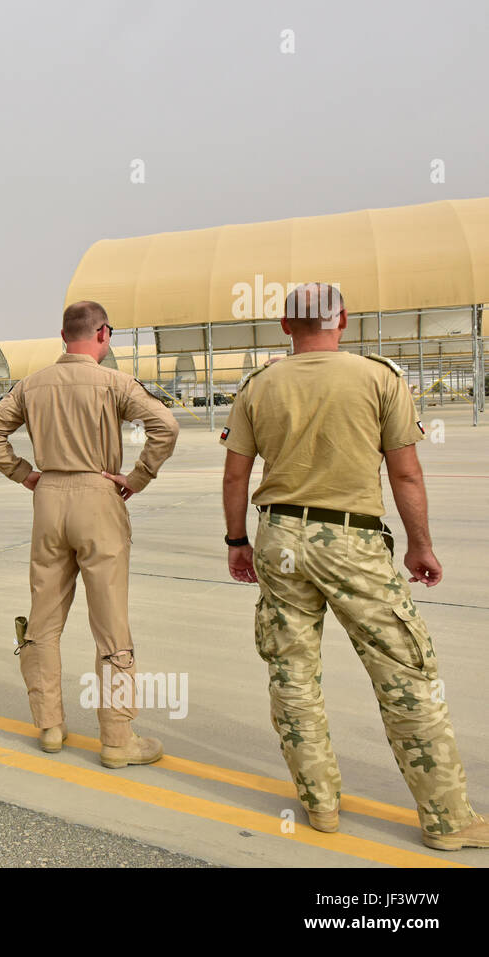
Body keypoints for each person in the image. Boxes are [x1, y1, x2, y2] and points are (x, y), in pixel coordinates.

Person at [222, 282, 485, 849]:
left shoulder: (257, 386)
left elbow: (235, 476)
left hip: (278, 535)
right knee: (405, 673)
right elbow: (406, 473)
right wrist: (421, 544)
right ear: (343, 319)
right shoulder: (379, 378)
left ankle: (320, 807)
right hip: (353, 543)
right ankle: (448, 820)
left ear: (286, 326)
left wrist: (237, 540)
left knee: (292, 672)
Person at [0, 301, 179, 766]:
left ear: (62, 336)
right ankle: (116, 740)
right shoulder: (114, 383)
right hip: (99, 496)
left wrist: (25, 474)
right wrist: (138, 476)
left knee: (44, 619)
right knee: (110, 625)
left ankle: (49, 726)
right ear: (103, 333)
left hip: (48, 499)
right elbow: (164, 425)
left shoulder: (32, 384)